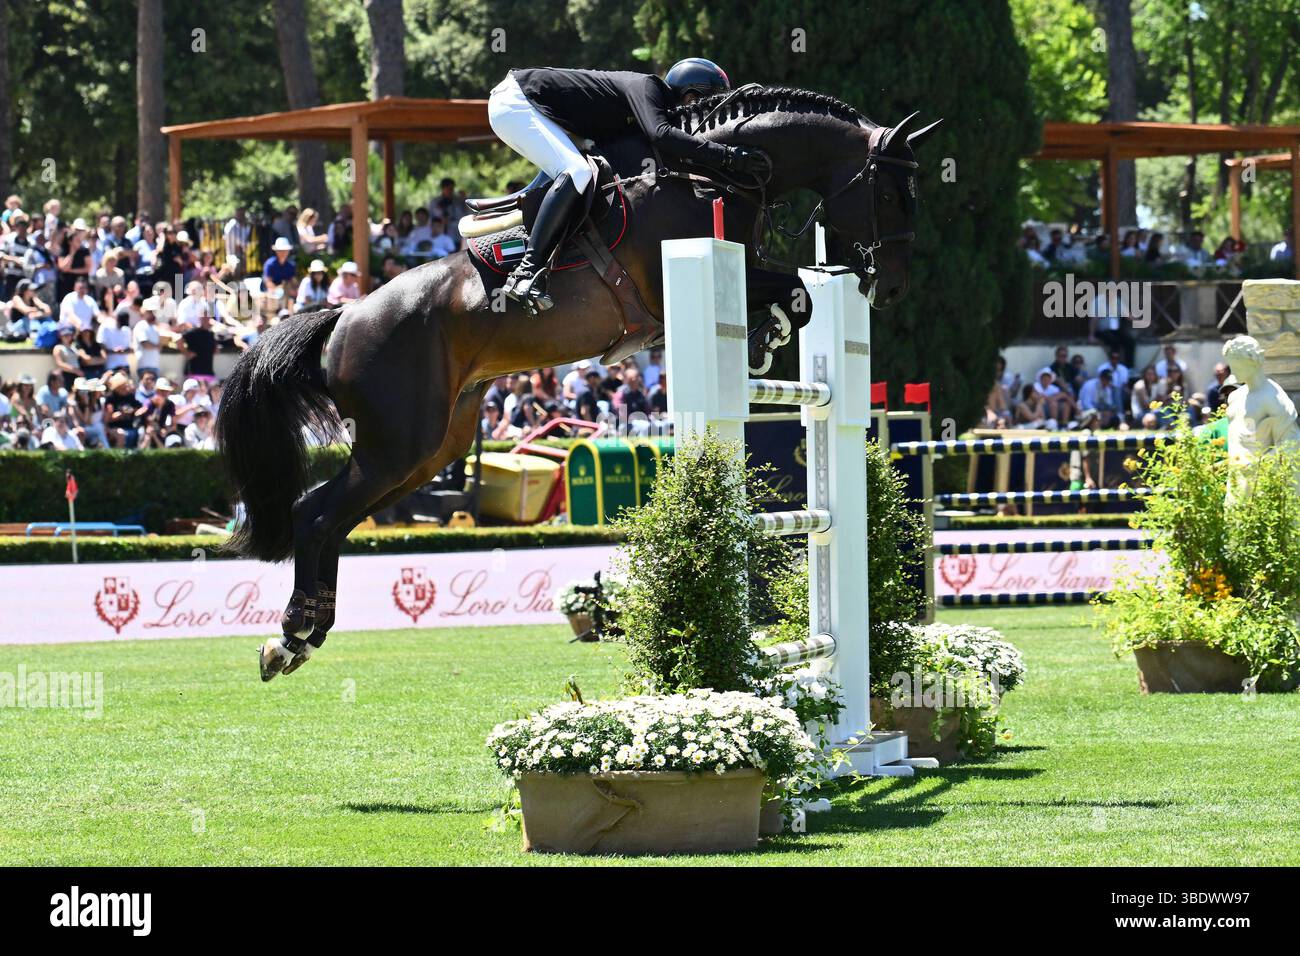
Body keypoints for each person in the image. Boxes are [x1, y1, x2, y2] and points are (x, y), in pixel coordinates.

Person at [486, 58, 757, 311]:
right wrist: (727, 157)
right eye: (700, 104)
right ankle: (527, 272)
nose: (699, 115)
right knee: (577, 171)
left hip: (529, 106)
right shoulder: (648, 87)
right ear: (688, 95)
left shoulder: (640, 108)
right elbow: (661, 134)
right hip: (517, 101)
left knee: (581, 170)